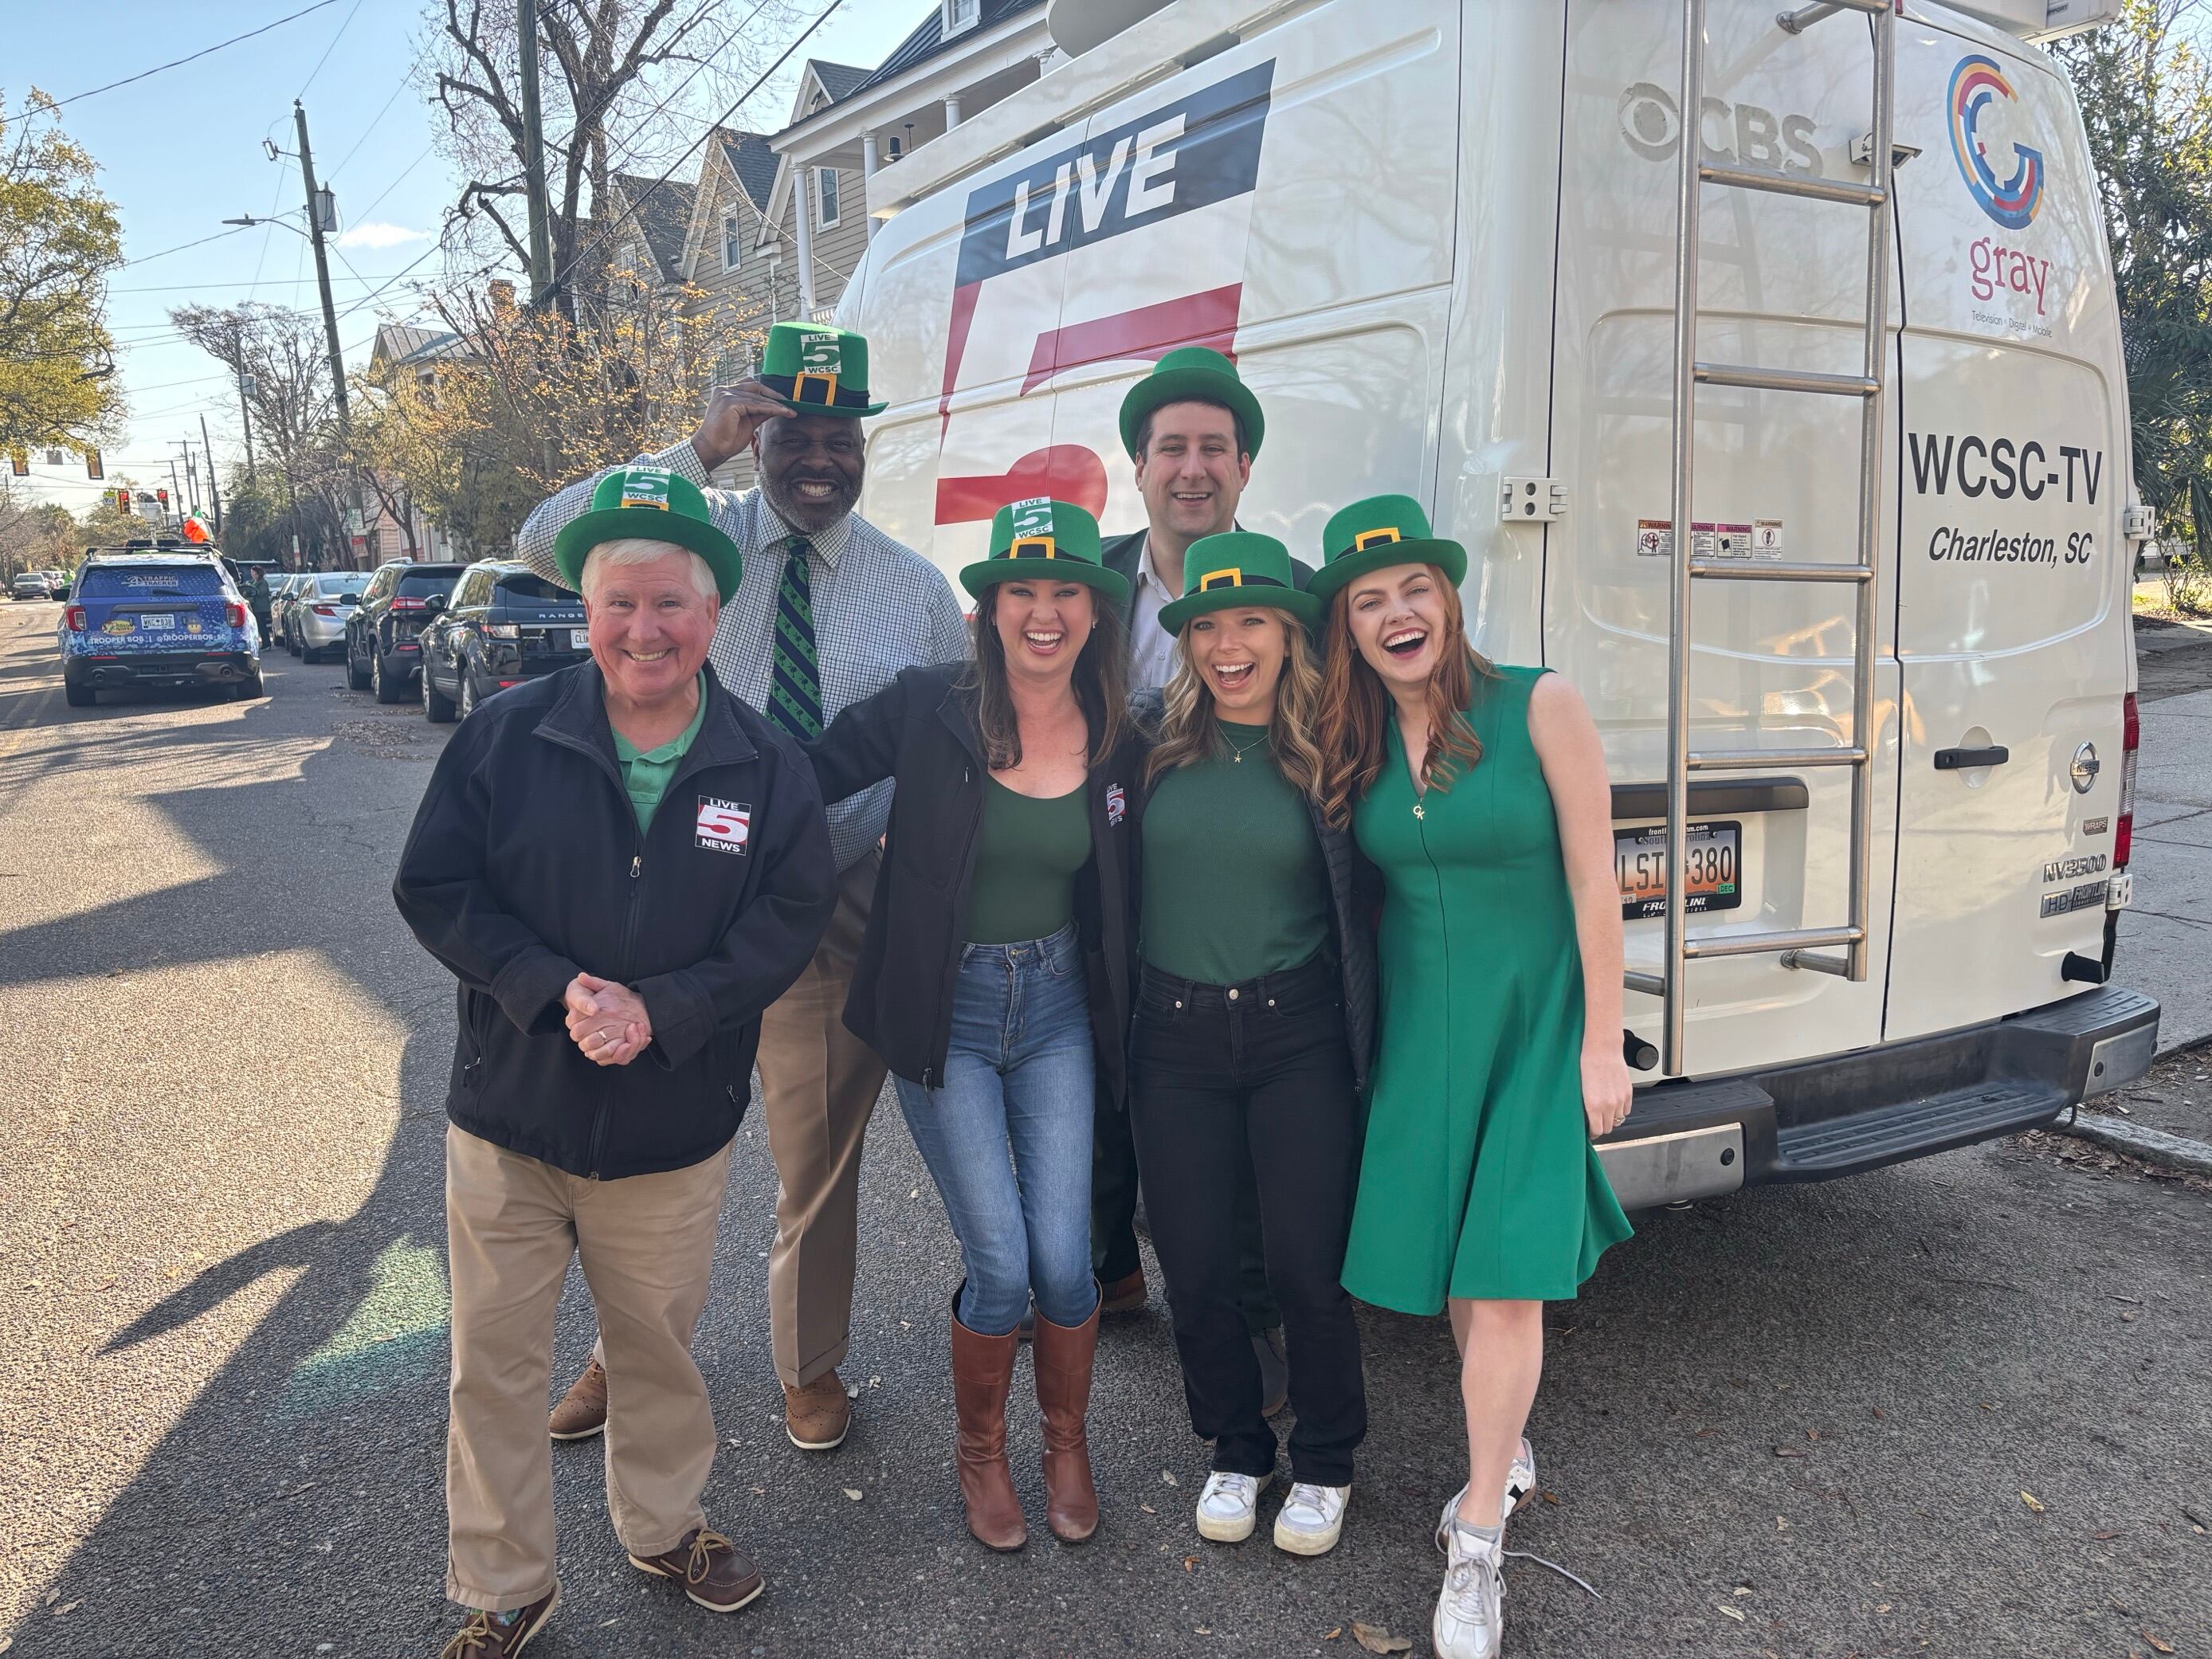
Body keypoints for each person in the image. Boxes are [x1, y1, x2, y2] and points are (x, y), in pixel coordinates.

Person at [394, 468, 837, 1657]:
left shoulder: (765, 765)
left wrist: (668, 1008)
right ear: (585, 613)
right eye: (620, 603)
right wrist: (554, 987)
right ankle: (505, 1583)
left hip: (670, 1130)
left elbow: (784, 925)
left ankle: (662, 1522)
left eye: (672, 606)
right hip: (512, 1121)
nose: (646, 629)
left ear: (713, 615)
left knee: (655, 1350)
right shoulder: (504, 737)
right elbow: (435, 889)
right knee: (494, 1364)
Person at [515, 323, 968, 1455]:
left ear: (863, 443)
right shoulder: (687, 540)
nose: (817, 455)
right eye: (788, 430)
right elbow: (538, 542)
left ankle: (807, 1365)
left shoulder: (914, 591)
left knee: (815, 1156)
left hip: (833, 899)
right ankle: (627, 1348)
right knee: (652, 1140)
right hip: (676, 888)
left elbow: (937, 754)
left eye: (837, 434)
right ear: (756, 434)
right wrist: (697, 447)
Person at [1310, 495, 1634, 1659]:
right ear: (1347, 627)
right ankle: (1508, 1435)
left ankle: (1479, 1534)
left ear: (1448, 599)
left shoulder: (1539, 702)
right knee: (1456, 1264)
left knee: (1505, 1275)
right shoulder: (1355, 740)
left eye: (1414, 591)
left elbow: (1600, 882)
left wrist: (1606, 1038)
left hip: (1539, 1025)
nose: (1398, 614)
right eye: (1368, 601)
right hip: (1425, 1038)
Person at [806, 498, 1141, 1552]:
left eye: (1065, 592)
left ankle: (1066, 1443)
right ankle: (981, 1452)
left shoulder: (1123, 736)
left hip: (1054, 1014)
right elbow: (797, 775)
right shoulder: (927, 706)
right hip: (944, 1010)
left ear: (1096, 609)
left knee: (1070, 1261)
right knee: (999, 1263)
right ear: (991, 605)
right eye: (1021, 591)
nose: (1043, 613)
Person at [1127, 529, 1375, 1558]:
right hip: (1174, 1037)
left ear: (1289, 634)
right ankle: (1235, 1441)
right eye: (1209, 625)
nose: (1229, 644)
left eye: (1253, 623)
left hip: (1296, 1032)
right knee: (1193, 1264)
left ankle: (1324, 1456)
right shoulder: (1148, 747)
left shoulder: (1335, 754)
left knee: (1304, 1264)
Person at [1093, 346, 1303, 1415]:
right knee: (1114, 1099)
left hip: (1246, 911)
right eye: (1170, 446)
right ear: (1138, 464)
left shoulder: (1296, 595)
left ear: (1245, 465)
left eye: (1213, 447)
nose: (1192, 467)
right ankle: (1115, 1260)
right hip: (1108, 888)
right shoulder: (1084, 587)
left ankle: (1252, 1319)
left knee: (1250, 1132)